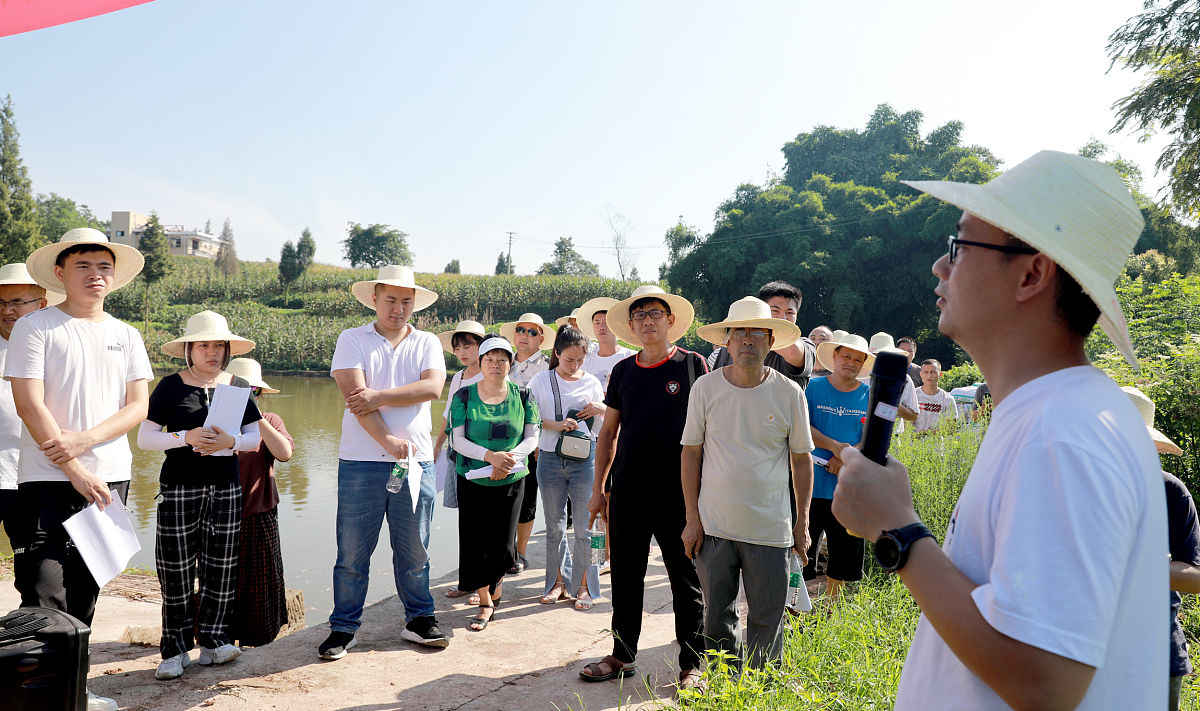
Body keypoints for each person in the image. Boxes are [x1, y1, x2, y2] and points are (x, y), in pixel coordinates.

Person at [832, 151, 1167, 710]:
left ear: (1031, 274)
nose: (939, 267)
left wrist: (897, 530)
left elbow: (1045, 682)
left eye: (959, 246)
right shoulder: (1055, 412)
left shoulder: (1063, 430)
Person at [5, 229, 152, 711]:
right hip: (46, 479)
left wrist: (86, 441)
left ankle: (76, 692)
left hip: (109, 478)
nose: (95, 275)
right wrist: (73, 467)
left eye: (103, 266)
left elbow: (137, 406)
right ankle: (35, 699)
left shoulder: (126, 335)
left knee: (87, 589)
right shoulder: (36, 327)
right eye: (83, 266)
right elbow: (29, 404)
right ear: (61, 273)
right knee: (43, 592)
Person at [579, 285, 708, 690]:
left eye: (655, 313)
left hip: (680, 493)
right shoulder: (623, 371)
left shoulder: (693, 365)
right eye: (640, 315)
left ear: (670, 320)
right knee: (625, 576)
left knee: (685, 578)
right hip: (629, 490)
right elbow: (608, 434)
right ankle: (622, 655)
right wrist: (599, 489)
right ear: (631, 324)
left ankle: (692, 663)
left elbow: (713, 429)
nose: (648, 320)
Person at [320, 265, 448, 660]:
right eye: (390, 300)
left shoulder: (426, 341)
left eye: (406, 301)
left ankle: (419, 619)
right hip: (360, 463)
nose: (398, 308)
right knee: (352, 553)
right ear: (374, 299)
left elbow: (432, 388)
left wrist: (379, 396)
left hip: (417, 462)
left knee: (415, 550)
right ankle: (343, 628)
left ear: (415, 304)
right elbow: (355, 397)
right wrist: (388, 440)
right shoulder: (352, 338)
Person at [681, 296, 814, 670]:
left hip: (770, 529)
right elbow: (690, 453)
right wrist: (692, 518)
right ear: (727, 339)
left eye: (757, 333)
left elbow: (801, 460)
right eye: (739, 331)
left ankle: (762, 691)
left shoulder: (789, 393)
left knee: (767, 619)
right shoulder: (705, 388)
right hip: (714, 528)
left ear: (771, 341)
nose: (747, 340)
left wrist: (802, 523)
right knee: (716, 618)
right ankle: (726, 686)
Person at [138, 311, 264, 680]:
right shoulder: (170, 386)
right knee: (175, 569)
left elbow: (254, 439)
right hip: (179, 487)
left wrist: (231, 442)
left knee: (220, 566)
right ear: (189, 349)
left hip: (226, 487)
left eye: (218, 346)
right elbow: (145, 438)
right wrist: (185, 437)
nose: (212, 352)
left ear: (227, 349)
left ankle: (214, 641)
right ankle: (174, 649)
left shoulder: (238, 385)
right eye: (203, 345)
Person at [448, 336, 540, 631]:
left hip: (511, 478)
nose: (495, 365)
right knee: (477, 541)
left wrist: (507, 460)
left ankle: (495, 588)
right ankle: (486, 601)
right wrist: (490, 457)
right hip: (473, 479)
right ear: (481, 363)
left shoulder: (524, 395)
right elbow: (457, 439)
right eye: (489, 359)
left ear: (511, 364)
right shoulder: (464, 396)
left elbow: (532, 436)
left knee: (503, 542)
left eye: (502, 360)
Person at [1121, 386, 1199, 711]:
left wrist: (1136, 564)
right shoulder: (1076, 487)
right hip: (1087, 649)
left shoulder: (1170, 492)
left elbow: (1194, 576)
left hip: (1157, 651)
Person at [528, 326, 604, 610]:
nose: (574, 365)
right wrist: (556, 425)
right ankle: (557, 582)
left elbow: (606, 423)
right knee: (554, 528)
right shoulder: (540, 380)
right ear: (557, 353)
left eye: (580, 360)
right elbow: (529, 418)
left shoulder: (592, 382)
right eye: (569, 359)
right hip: (549, 458)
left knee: (589, 528)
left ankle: (587, 587)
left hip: (586, 459)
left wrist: (600, 409)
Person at [226, 357, 294, 649]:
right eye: (239, 391)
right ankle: (218, 642)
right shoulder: (213, 421)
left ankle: (258, 645)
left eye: (252, 391)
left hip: (258, 513)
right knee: (220, 582)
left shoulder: (270, 420)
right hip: (218, 515)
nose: (247, 396)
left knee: (260, 584)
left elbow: (285, 453)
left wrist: (255, 417)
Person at [802, 331, 874, 602]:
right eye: (846, 356)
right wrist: (835, 447)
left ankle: (833, 610)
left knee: (844, 555)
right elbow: (802, 426)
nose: (851, 363)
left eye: (858, 359)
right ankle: (798, 609)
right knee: (802, 551)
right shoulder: (813, 388)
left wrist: (845, 457)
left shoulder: (870, 395)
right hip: (810, 486)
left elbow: (875, 438)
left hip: (849, 490)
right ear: (834, 356)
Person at [0, 263, 61, 550]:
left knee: (32, 564)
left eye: (16, 302)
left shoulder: (56, 348)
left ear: (42, 304)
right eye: (1, 302)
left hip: (36, 476)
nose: (7, 310)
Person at [435, 320, 486, 604]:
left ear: (481, 346)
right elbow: (448, 416)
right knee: (466, 521)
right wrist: (437, 446)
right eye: (458, 348)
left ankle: (485, 588)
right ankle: (467, 582)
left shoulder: (491, 375)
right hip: (459, 456)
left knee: (484, 522)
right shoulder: (458, 378)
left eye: (468, 345)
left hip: (484, 457)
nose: (462, 352)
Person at [498, 312, 550, 574]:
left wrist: (540, 442)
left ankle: (520, 553)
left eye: (532, 332)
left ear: (541, 338)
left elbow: (548, 408)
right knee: (501, 498)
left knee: (527, 499)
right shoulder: (501, 361)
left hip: (531, 443)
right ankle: (501, 551)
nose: (524, 336)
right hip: (499, 442)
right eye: (520, 330)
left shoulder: (548, 367)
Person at [706, 281, 817, 390]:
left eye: (790, 313)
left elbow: (793, 352)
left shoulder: (807, 347)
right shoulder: (720, 354)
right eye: (775, 311)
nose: (783, 318)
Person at [577, 297, 636, 434]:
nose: (601, 327)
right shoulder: (585, 361)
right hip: (591, 433)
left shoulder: (630, 358)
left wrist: (605, 408)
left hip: (623, 431)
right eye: (597, 322)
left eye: (606, 322)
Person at [912, 359, 959, 434]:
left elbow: (951, 427)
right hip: (913, 440)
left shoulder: (948, 399)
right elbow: (906, 423)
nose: (929, 376)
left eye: (933, 372)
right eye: (925, 372)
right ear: (920, 374)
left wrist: (928, 432)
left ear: (940, 374)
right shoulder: (913, 395)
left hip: (937, 440)